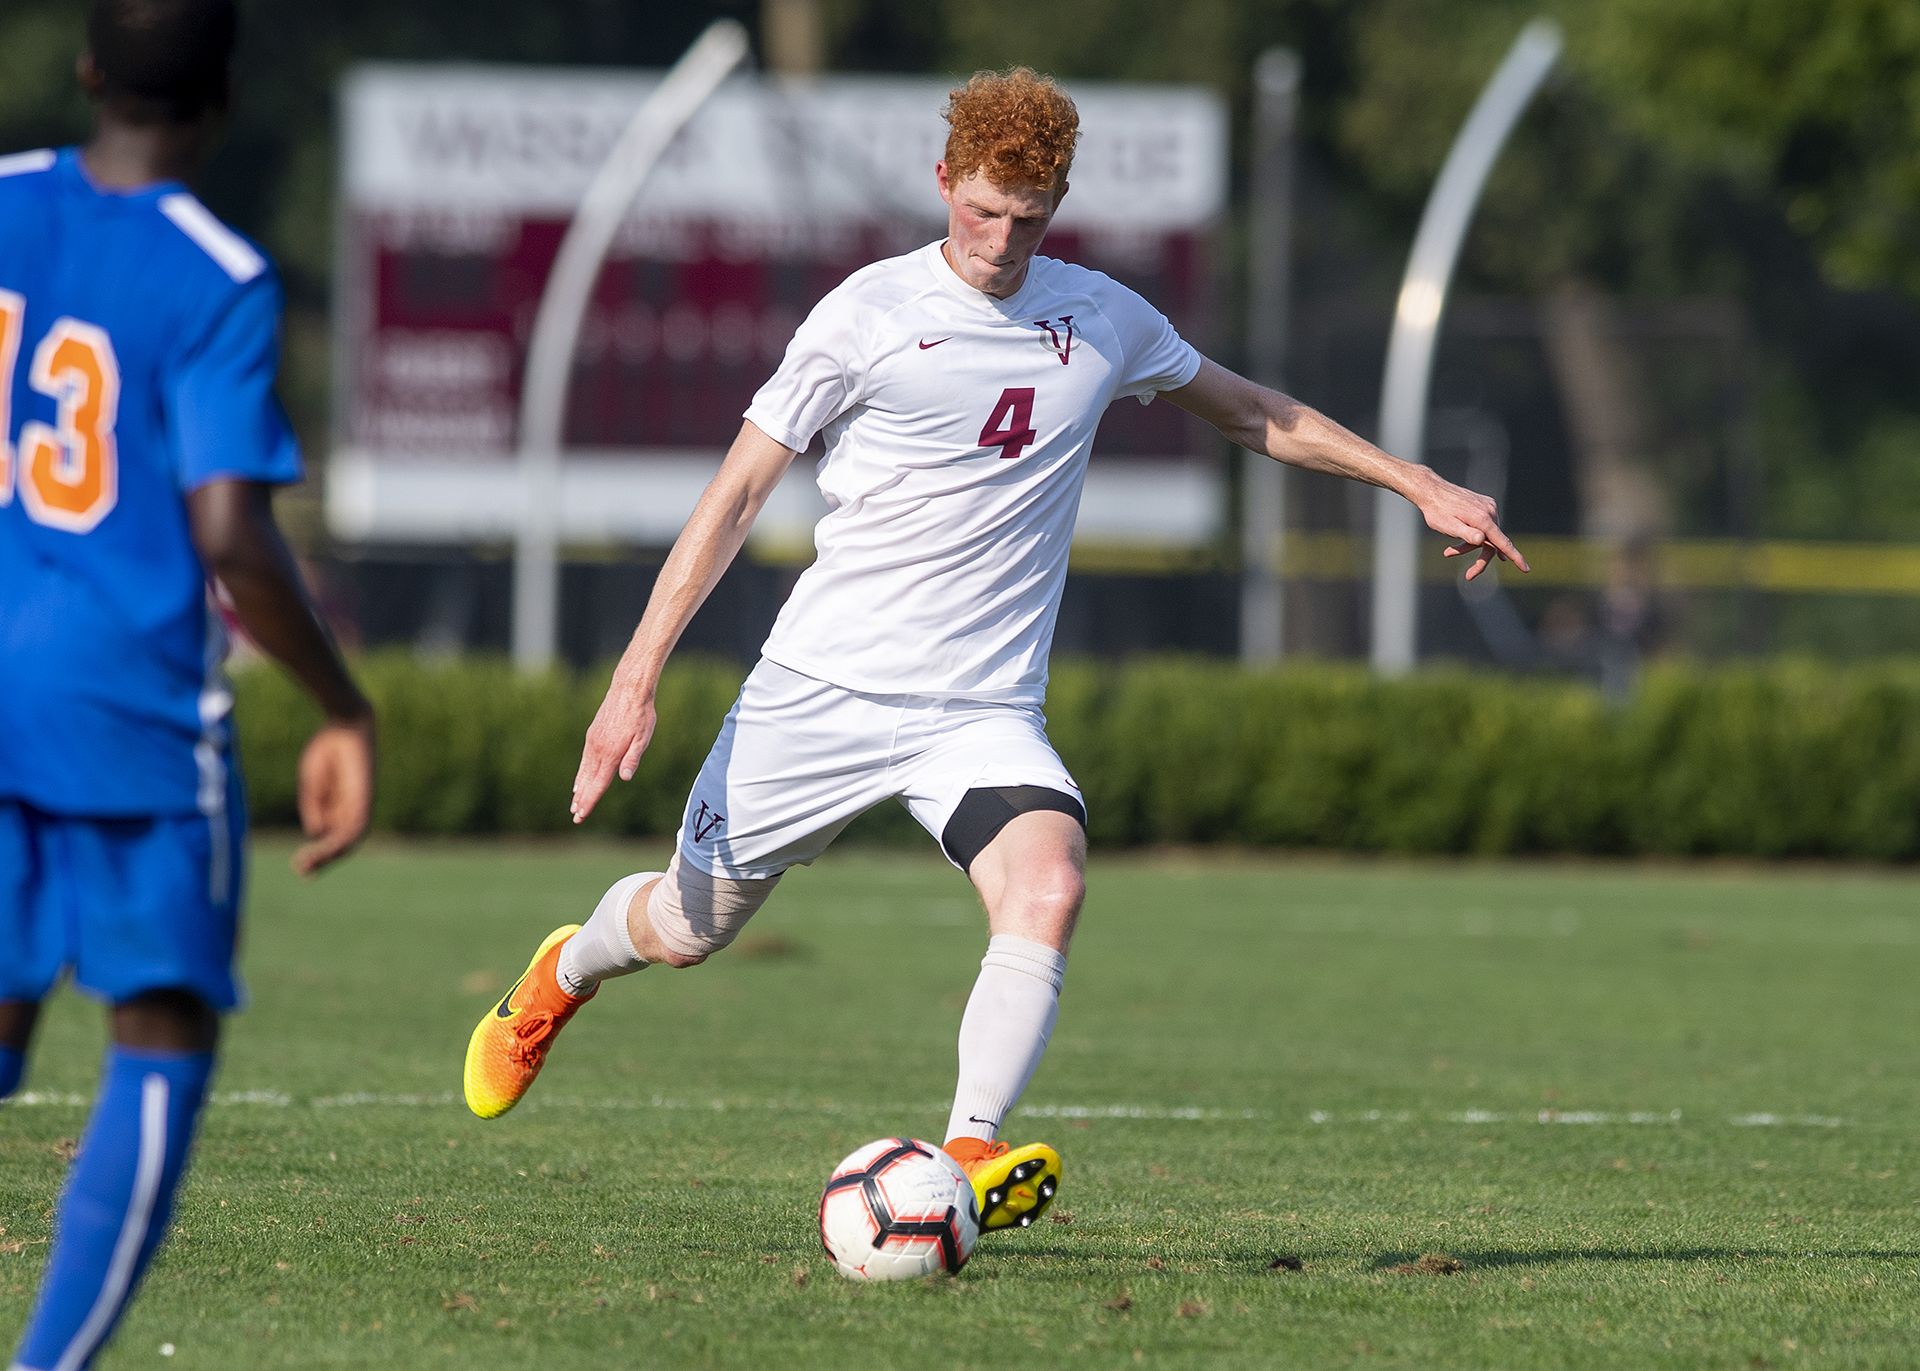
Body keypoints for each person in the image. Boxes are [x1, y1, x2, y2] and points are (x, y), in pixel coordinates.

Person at [463, 67, 1524, 1231]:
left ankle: (969, 1148)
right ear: (942, 185)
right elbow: (731, 501)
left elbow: (1251, 412)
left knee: (1051, 881)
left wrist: (1415, 482)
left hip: (979, 709)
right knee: (683, 928)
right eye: (981, 209)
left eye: (1029, 216)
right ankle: (560, 976)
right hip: (821, 692)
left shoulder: (1103, 318)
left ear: (1057, 203)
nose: (1001, 239)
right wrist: (634, 680)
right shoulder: (865, 316)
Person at [0, 2, 375, 1366]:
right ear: (220, 98)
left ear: (90, 70)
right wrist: (344, 703)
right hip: (128, 709)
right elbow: (227, 530)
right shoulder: (218, 271)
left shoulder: (1, 202)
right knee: (161, 1022)